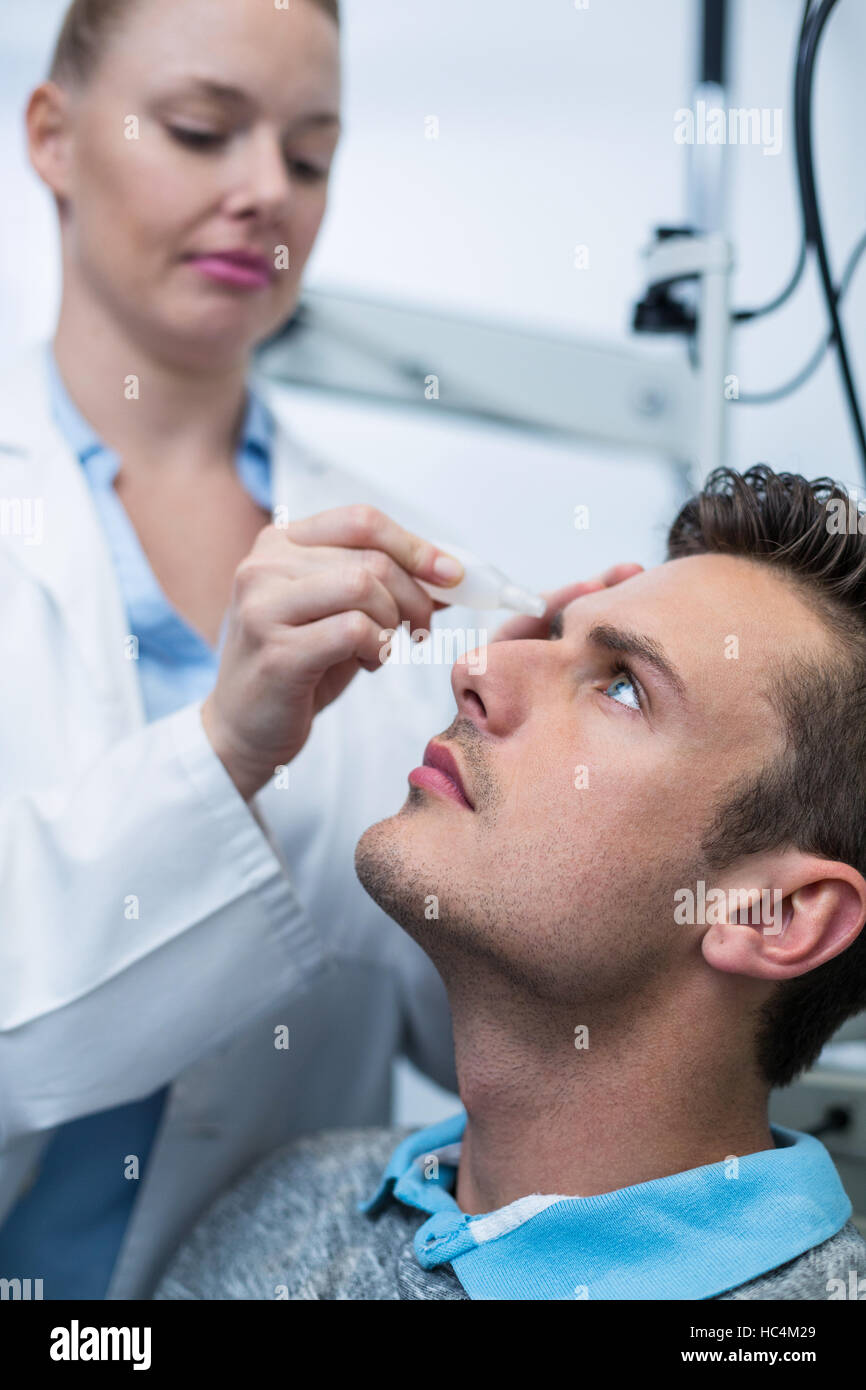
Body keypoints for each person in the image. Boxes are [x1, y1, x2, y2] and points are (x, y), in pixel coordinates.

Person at [0, 0, 623, 1300]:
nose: (259, 193)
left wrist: (557, 767)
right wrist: (223, 747)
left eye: (308, 154)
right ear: (52, 136)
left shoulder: (417, 582)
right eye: (199, 129)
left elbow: (482, 1046)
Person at [155, 465, 866, 1301]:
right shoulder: (281, 1215)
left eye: (624, 686)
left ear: (774, 914)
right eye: (556, 634)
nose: (478, 669)